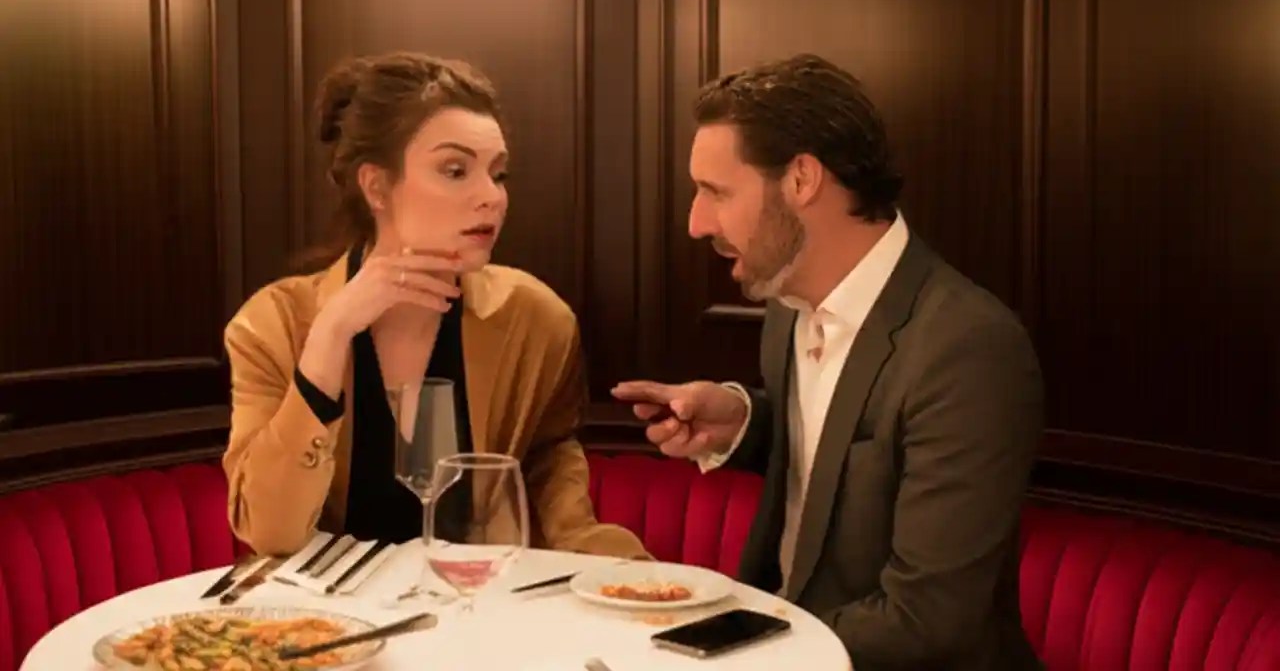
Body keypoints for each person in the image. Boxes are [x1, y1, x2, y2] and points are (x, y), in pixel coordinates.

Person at [613, 54, 1044, 669]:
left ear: (802, 180)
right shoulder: (791, 305)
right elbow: (845, 455)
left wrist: (739, 649)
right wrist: (743, 424)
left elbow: (928, 619)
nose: (695, 222)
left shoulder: (968, 349)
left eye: (715, 191)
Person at [223, 51, 647, 561]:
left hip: (476, 613)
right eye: (455, 170)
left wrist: (622, 575)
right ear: (376, 185)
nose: (491, 196)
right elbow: (270, 534)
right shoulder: (272, 323)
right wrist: (330, 336)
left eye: (499, 174)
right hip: (325, 626)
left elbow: (551, 476)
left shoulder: (536, 319)